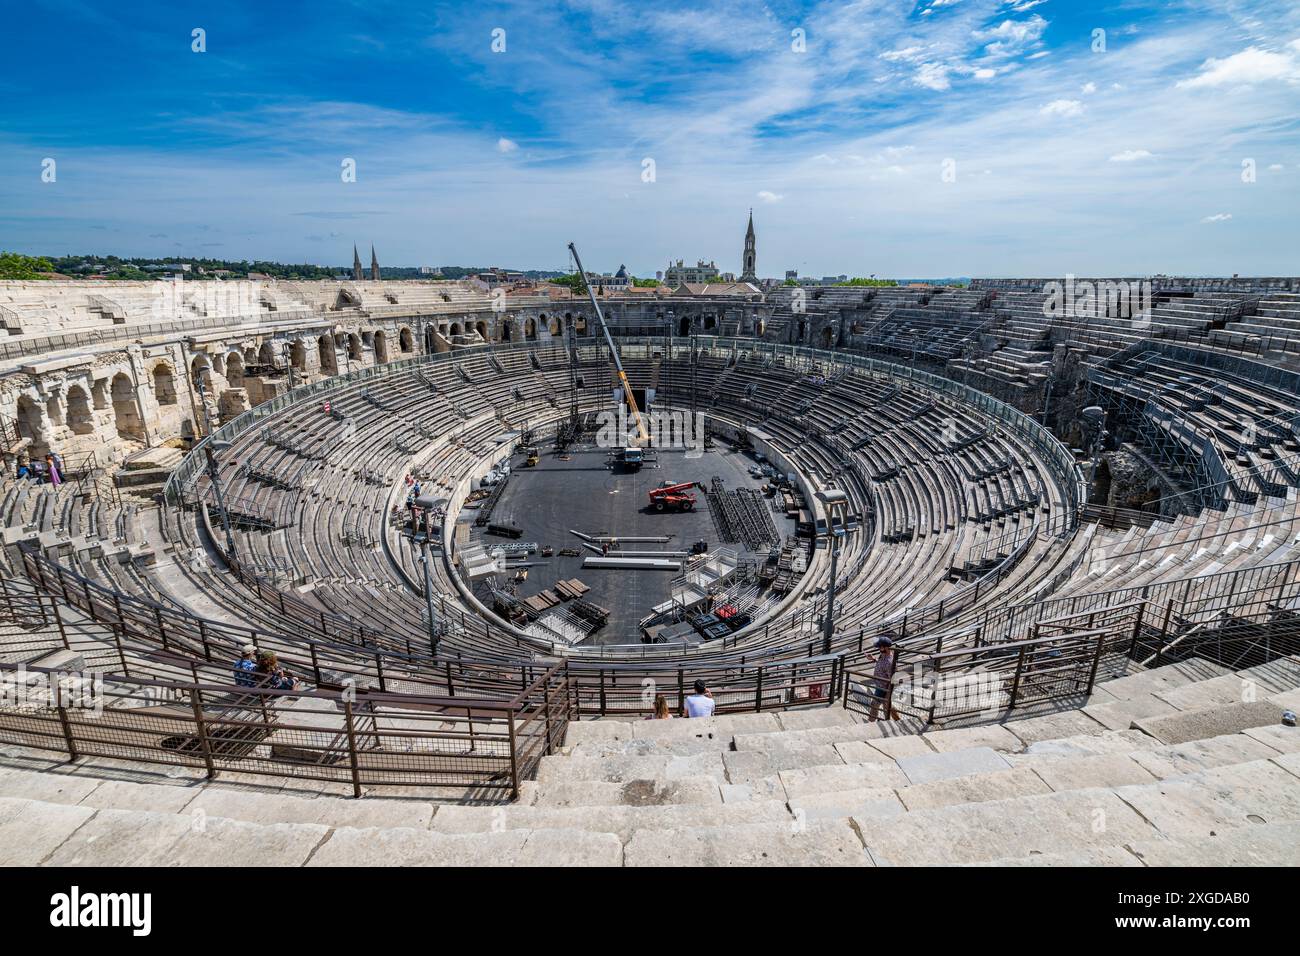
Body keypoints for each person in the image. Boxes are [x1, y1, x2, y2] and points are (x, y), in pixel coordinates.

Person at [868, 635, 900, 722]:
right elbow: (882, 665)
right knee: (887, 706)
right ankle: (897, 720)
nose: (878, 649)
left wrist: (888, 694)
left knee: (875, 705)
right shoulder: (883, 655)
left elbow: (892, 679)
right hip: (880, 685)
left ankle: (870, 723)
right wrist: (873, 659)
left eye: (880, 647)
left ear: (885, 648)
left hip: (883, 688)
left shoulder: (889, 662)